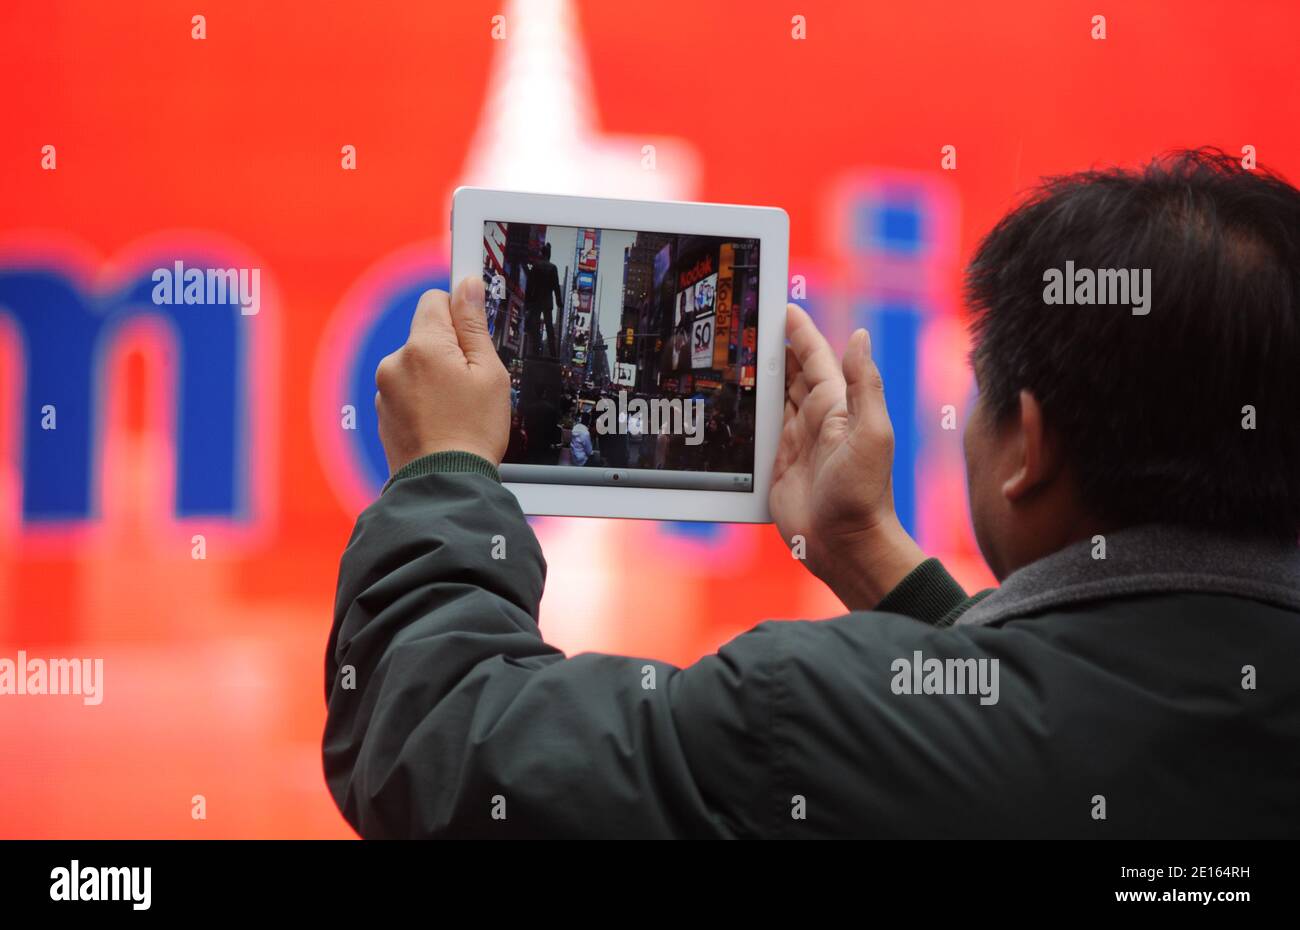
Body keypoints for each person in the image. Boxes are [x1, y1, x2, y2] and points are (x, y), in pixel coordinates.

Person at [324, 151, 1300, 838]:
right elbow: (1081, 732)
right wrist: (872, 554)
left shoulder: (814, 717)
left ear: (1027, 445)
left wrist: (441, 475)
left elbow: (441, 750)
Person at [523, 241, 563, 358]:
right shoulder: (553, 267)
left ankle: (535, 352)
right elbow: (556, 287)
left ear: (542, 253)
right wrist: (559, 302)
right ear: (549, 254)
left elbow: (529, 286)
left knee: (535, 327)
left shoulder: (536, 266)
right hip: (547, 302)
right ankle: (553, 354)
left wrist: (528, 302)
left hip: (536, 301)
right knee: (549, 328)